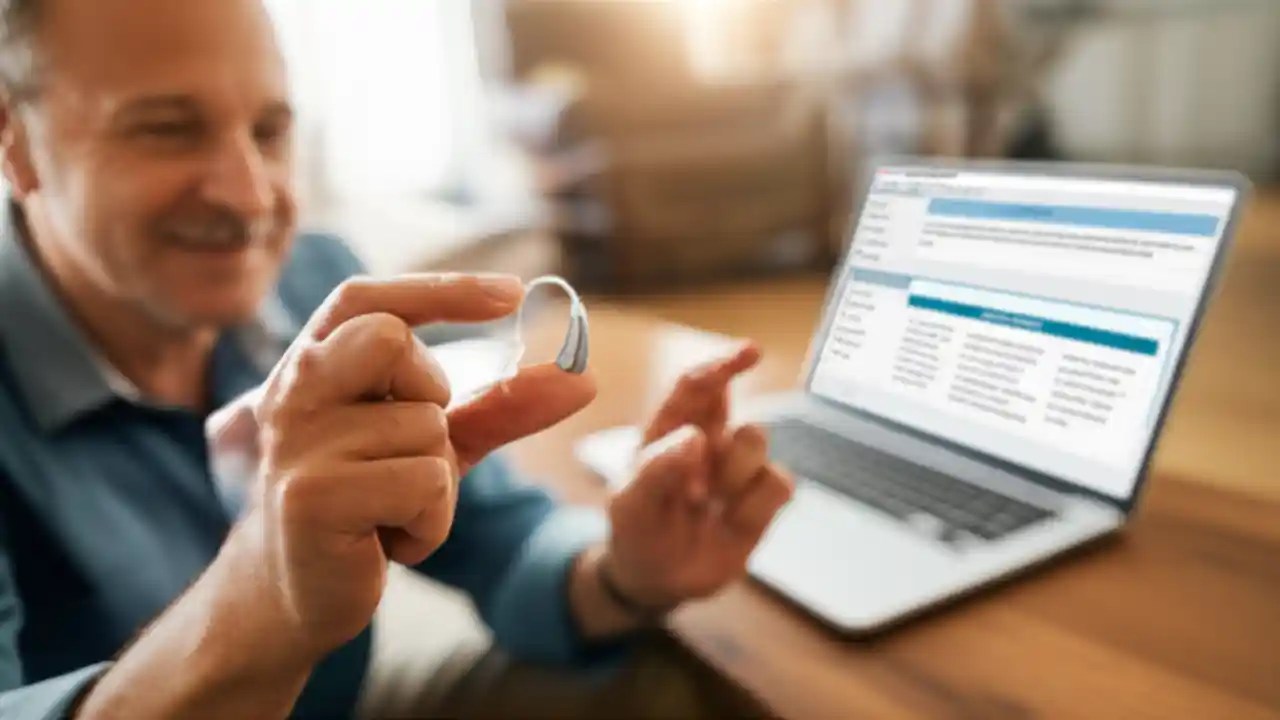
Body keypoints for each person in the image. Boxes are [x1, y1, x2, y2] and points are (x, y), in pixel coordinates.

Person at [0, 0, 794, 717]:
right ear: (16, 144)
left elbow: (500, 542)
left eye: (270, 131)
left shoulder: (316, 280)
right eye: (167, 128)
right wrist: (260, 601)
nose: (249, 195)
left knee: (662, 683)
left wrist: (627, 572)